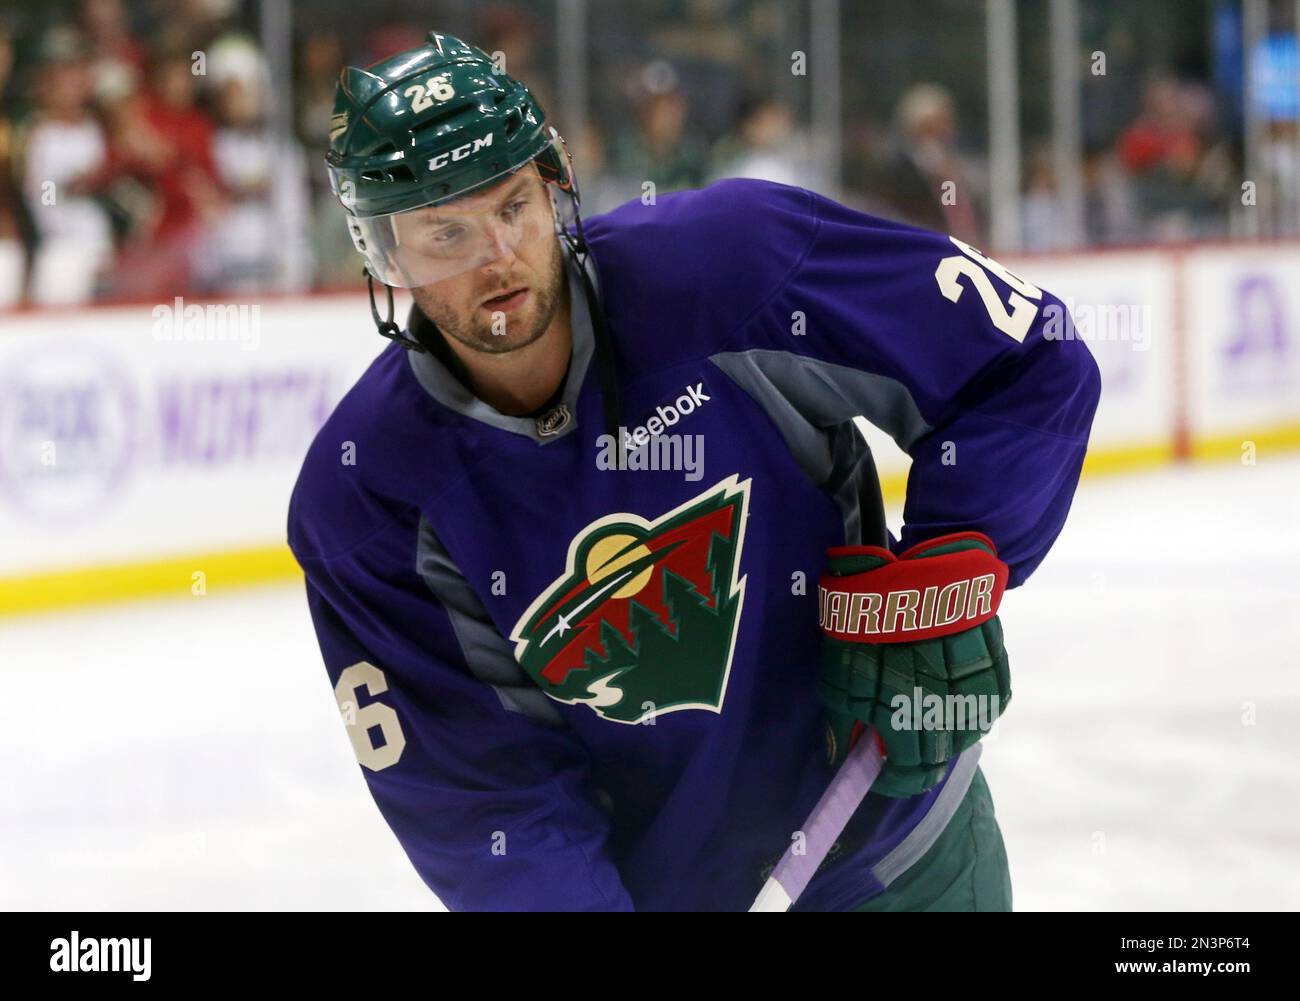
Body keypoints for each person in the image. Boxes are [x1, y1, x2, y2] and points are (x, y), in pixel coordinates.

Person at [289, 32, 1101, 911]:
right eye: (445, 231)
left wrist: (947, 568)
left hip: (903, 854)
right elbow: (489, 803)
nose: (497, 256)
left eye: (512, 206)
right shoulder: (366, 498)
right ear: (384, 256)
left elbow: (1026, 361)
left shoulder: (730, 265)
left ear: (553, 184)